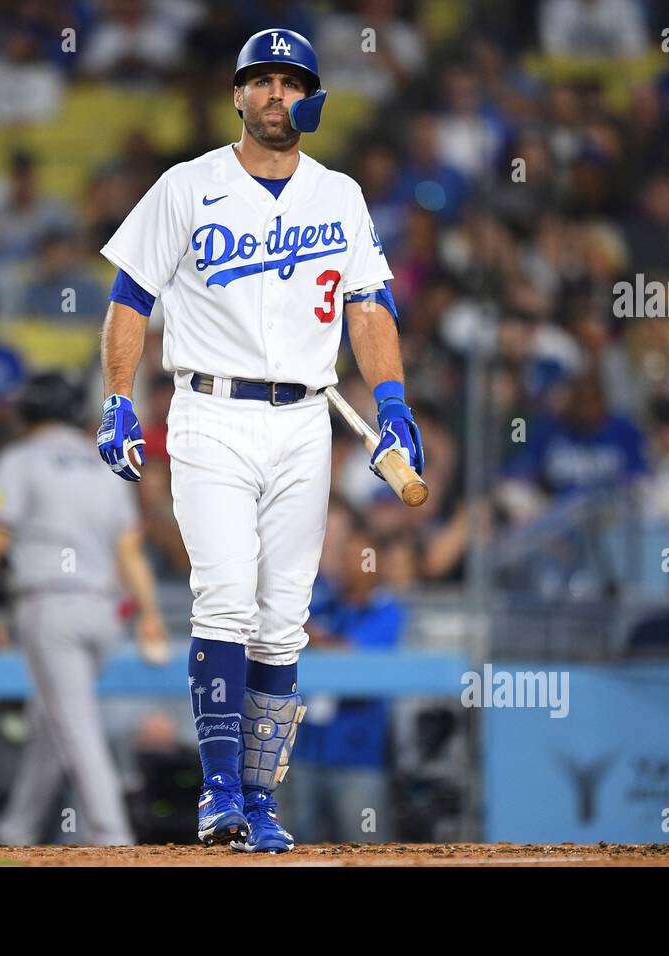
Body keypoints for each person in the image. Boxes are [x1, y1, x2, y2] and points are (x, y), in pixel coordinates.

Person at [95, 29, 424, 853]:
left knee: (283, 623)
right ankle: (216, 795)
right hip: (209, 414)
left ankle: (258, 798)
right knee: (226, 602)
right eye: (261, 81)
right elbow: (131, 295)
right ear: (237, 95)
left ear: (311, 97)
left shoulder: (339, 194)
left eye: (291, 81)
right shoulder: (188, 185)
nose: (276, 94)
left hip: (306, 420)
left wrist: (391, 400)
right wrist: (117, 399)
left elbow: (370, 306)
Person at [0, 372, 169, 846]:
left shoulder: (21, 458)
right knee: (49, 718)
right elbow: (130, 551)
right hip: (103, 612)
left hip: (51, 607)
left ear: (29, 412)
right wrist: (151, 613)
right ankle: (16, 829)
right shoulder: (106, 465)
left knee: (73, 722)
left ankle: (112, 835)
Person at [290, 520, 405, 843]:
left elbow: (353, 656)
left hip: (357, 755)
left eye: (361, 557)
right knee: (293, 845)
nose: (351, 565)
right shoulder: (324, 605)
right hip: (306, 749)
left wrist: (311, 636)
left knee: (364, 845)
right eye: (346, 556)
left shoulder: (387, 611)